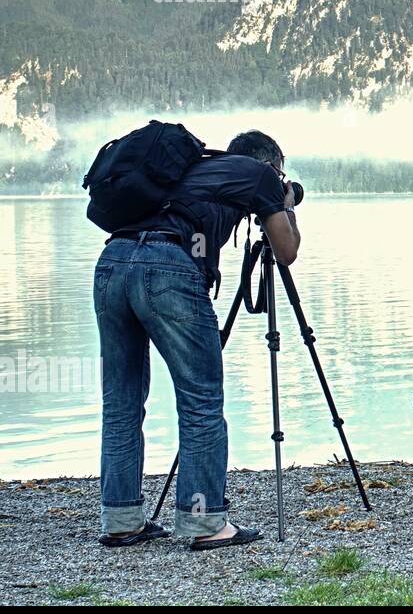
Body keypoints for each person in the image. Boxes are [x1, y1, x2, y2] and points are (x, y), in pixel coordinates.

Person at [94, 130, 301, 550]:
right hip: (168, 268)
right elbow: (286, 250)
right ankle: (204, 522)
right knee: (201, 401)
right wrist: (285, 205)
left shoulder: (189, 169)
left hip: (112, 263)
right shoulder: (258, 175)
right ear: (272, 165)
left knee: (121, 402)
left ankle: (121, 520)